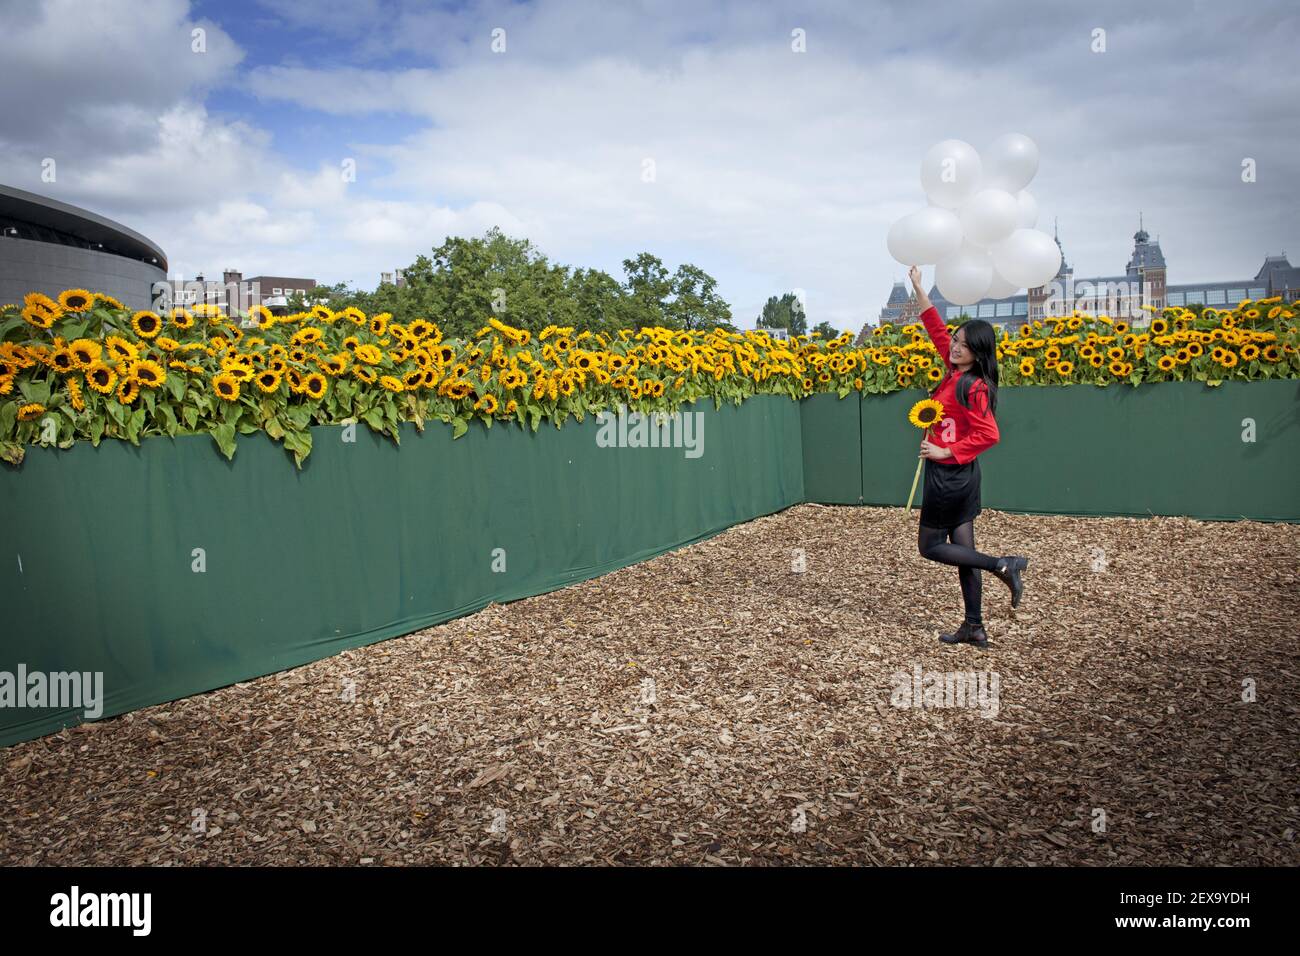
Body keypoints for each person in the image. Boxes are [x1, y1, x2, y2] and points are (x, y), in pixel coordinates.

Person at [908, 265, 1028, 649]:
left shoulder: (972, 386)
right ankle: (974, 627)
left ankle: (1002, 565)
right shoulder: (954, 369)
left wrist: (946, 450)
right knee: (964, 553)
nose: (954, 346)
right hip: (961, 476)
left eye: (962, 344)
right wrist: (918, 288)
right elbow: (935, 329)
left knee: (930, 546)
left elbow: (989, 433)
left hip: (949, 477)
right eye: (955, 341)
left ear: (977, 353)